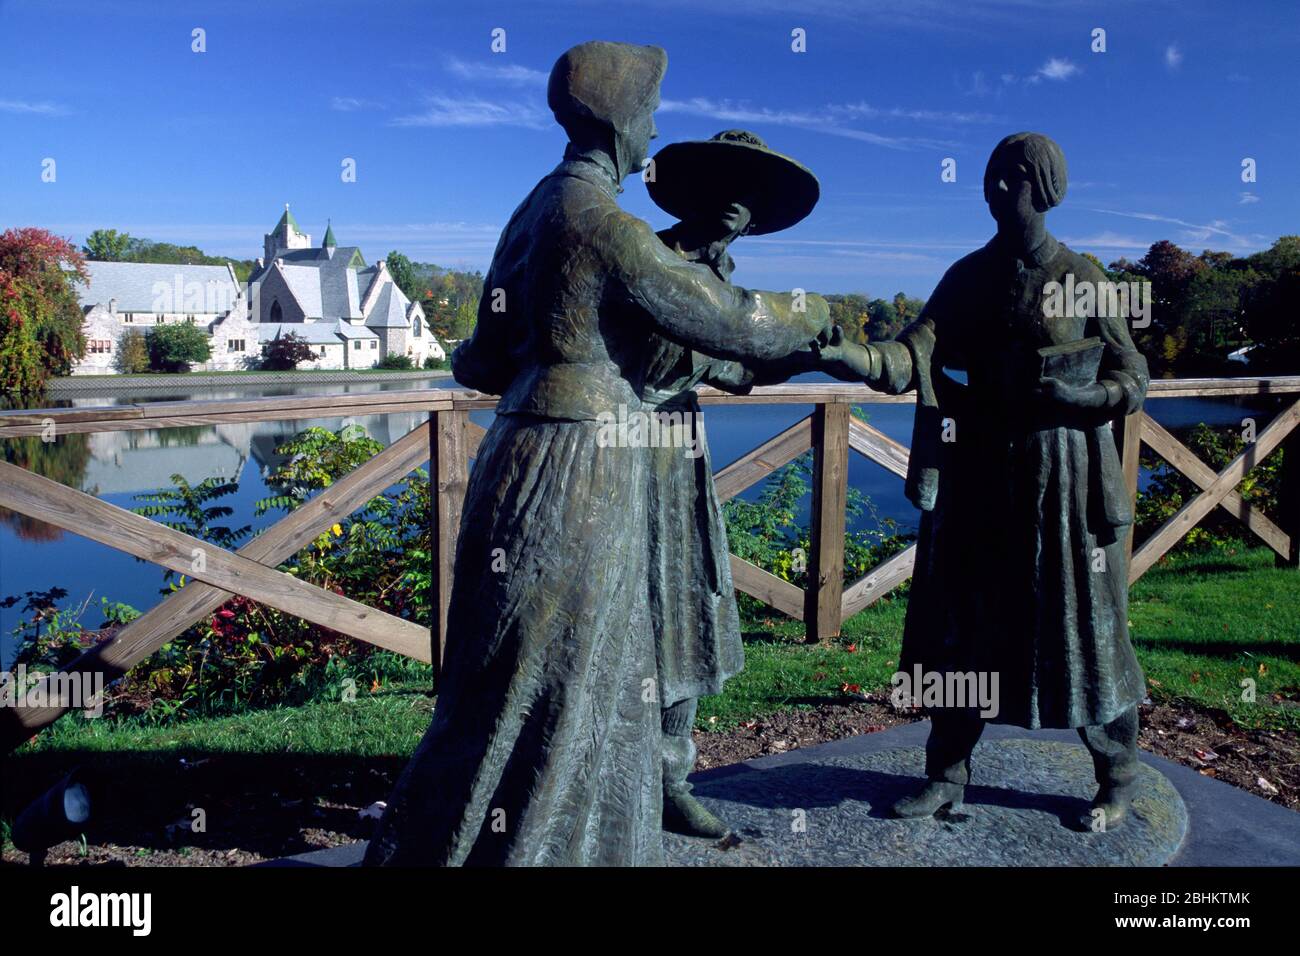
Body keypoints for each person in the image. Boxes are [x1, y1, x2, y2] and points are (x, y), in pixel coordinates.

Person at [363, 42, 831, 866]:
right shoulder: (603, 223)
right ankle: (530, 846)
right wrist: (813, 313)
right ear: (621, 119)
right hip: (583, 459)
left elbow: (479, 356)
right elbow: (735, 326)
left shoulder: (536, 206)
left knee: (520, 665)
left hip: (523, 442)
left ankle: (517, 835)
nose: (652, 134)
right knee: (564, 666)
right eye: (648, 115)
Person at [819, 132, 1149, 831]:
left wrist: (1087, 399)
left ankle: (1117, 775)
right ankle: (946, 774)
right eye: (990, 178)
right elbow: (913, 354)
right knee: (961, 627)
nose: (995, 190)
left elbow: (1132, 373)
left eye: (1009, 179)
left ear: (1042, 186)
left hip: (1062, 477)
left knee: (1085, 630)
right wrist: (846, 352)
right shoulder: (968, 276)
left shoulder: (1081, 276)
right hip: (978, 475)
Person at [642, 129, 822, 838]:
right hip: (622, 452)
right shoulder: (643, 257)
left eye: (755, 200)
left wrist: (819, 353)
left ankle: (669, 777)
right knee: (622, 610)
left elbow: (737, 366)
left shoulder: (726, 283)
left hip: (680, 456)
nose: (738, 207)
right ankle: (600, 765)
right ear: (694, 191)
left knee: (687, 608)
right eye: (728, 188)